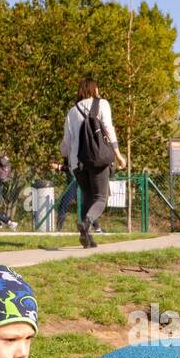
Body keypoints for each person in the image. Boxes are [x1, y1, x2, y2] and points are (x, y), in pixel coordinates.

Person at [60, 77, 125, 248]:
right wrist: (118, 155)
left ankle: (87, 238)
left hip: (77, 163)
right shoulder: (102, 104)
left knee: (88, 198)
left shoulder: (71, 111)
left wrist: (66, 154)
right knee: (101, 198)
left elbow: (65, 145)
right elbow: (109, 129)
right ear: (94, 90)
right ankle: (87, 221)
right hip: (97, 158)